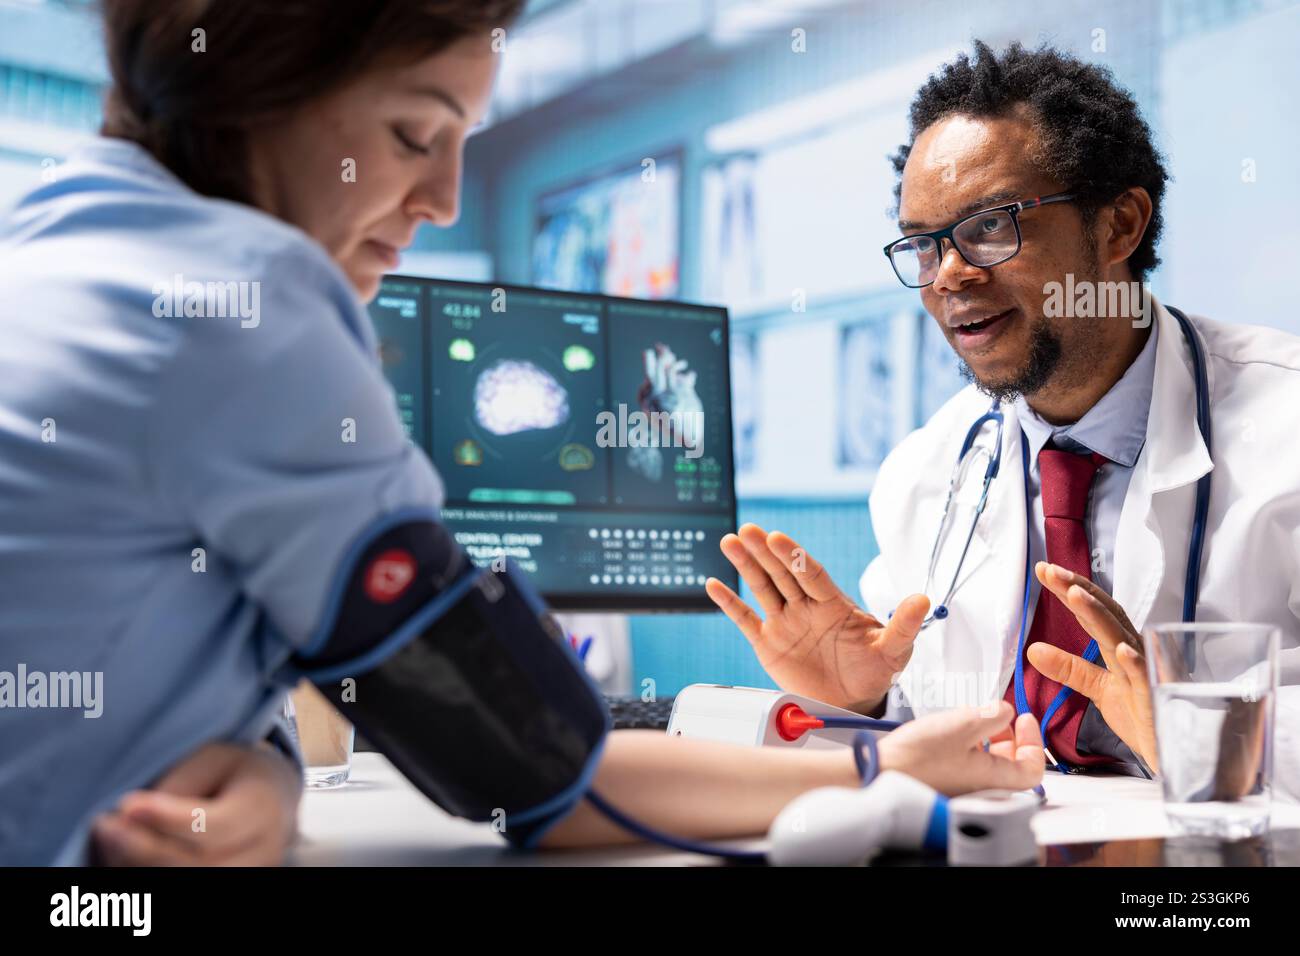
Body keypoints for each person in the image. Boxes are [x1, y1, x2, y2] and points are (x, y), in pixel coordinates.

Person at [0, 2, 1044, 866]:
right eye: (415, 133)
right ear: (251, 88)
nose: (443, 199)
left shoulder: (46, 237)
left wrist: (266, 772)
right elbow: (534, 773)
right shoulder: (253, 299)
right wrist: (884, 769)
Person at [707, 41, 1300, 778]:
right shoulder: (923, 473)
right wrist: (862, 703)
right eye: (924, 244)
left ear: (1120, 225)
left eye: (990, 226)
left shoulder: (1286, 426)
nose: (949, 275)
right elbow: (926, 740)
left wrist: (1202, 738)